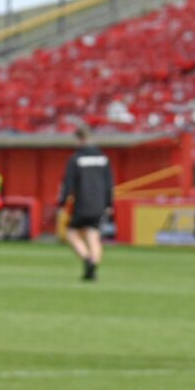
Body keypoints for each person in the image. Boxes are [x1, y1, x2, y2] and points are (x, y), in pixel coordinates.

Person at [57, 119, 112, 282]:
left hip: (82, 203)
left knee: (72, 234)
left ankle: (87, 259)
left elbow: (68, 185)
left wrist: (62, 204)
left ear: (79, 139)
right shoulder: (103, 159)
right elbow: (109, 184)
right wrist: (109, 204)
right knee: (93, 235)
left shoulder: (75, 159)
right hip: (99, 204)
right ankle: (93, 267)